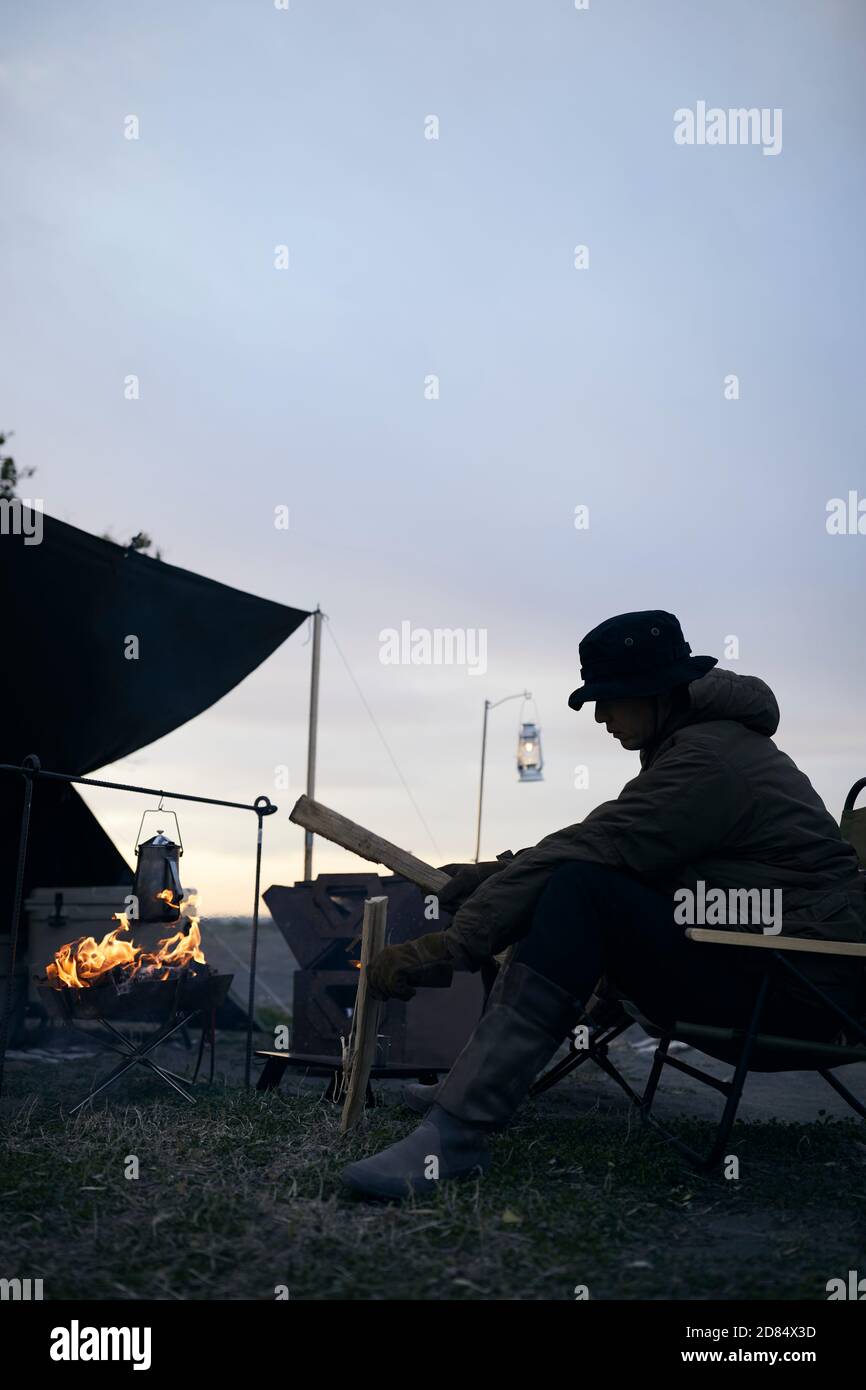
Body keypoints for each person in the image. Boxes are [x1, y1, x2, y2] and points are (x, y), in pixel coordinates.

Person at [341, 610, 866, 1200]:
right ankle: (463, 1098)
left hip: (796, 989)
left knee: (578, 890)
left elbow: (592, 848)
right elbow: (610, 841)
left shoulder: (707, 762)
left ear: (656, 693)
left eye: (611, 699)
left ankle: (457, 1134)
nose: (600, 716)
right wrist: (493, 874)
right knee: (576, 883)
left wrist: (448, 948)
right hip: (754, 961)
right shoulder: (698, 744)